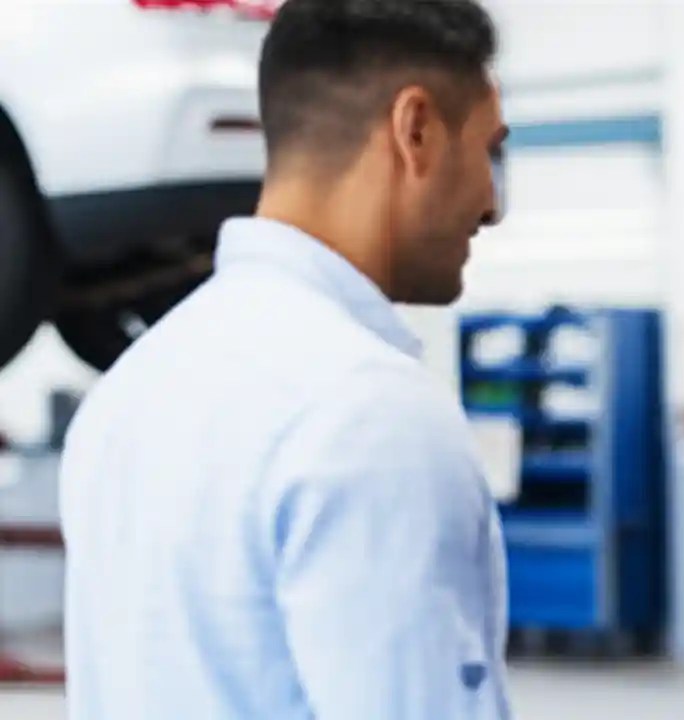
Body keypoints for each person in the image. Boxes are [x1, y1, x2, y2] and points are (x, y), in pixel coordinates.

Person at [58, 1, 511, 718]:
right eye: (489, 149)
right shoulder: (372, 414)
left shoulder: (128, 396)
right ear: (415, 130)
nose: (492, 203)